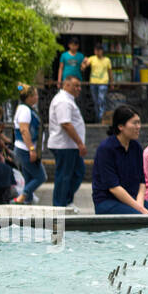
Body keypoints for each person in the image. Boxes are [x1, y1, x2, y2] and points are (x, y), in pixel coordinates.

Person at [92, 106, 148, 214]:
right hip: (107, 202)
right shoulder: (106, 149)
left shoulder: (136, 147)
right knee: (143, 219)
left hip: (133, 199)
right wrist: (140, 209)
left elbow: (142, 181)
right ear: (120, 126)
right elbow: (114, 188)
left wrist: (140, 205)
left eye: (139, 122)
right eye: (134, 123)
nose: (138, 127)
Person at [47, 76, 88, 210]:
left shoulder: (68, 100)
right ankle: (59, 205)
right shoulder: (63, 101)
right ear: (66, 85)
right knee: (64, 175)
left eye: (80, 86)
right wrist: (80, 143)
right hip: (64, 145)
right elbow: (66, 124)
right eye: (76, 86)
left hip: (71, 146)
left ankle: (67, 201)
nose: (79, 89)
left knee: (77, 172)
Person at [11, 84, 44, 205]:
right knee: (41, 176)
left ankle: (27, 201)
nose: (37, 97)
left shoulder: (26, 108)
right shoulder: (24, 110)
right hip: (24, 149)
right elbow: (24, 130)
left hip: (24, 148)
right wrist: (31, 149)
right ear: (29, 97)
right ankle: (22, 197)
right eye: (35, 94)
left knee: (29, 177)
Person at [83, 43, 112, 122]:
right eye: (96, 50)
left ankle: (101, 117)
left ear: (102, 51)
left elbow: (110, 72)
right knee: (96, 101)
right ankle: (98, 117)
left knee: (101, 100)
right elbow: (83, 68)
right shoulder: (92, 58)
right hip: (94, 82)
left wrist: (112, 82)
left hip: (103, 82)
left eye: (99, 50)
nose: (97, 52)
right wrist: (84, 62)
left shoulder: (107, 60)